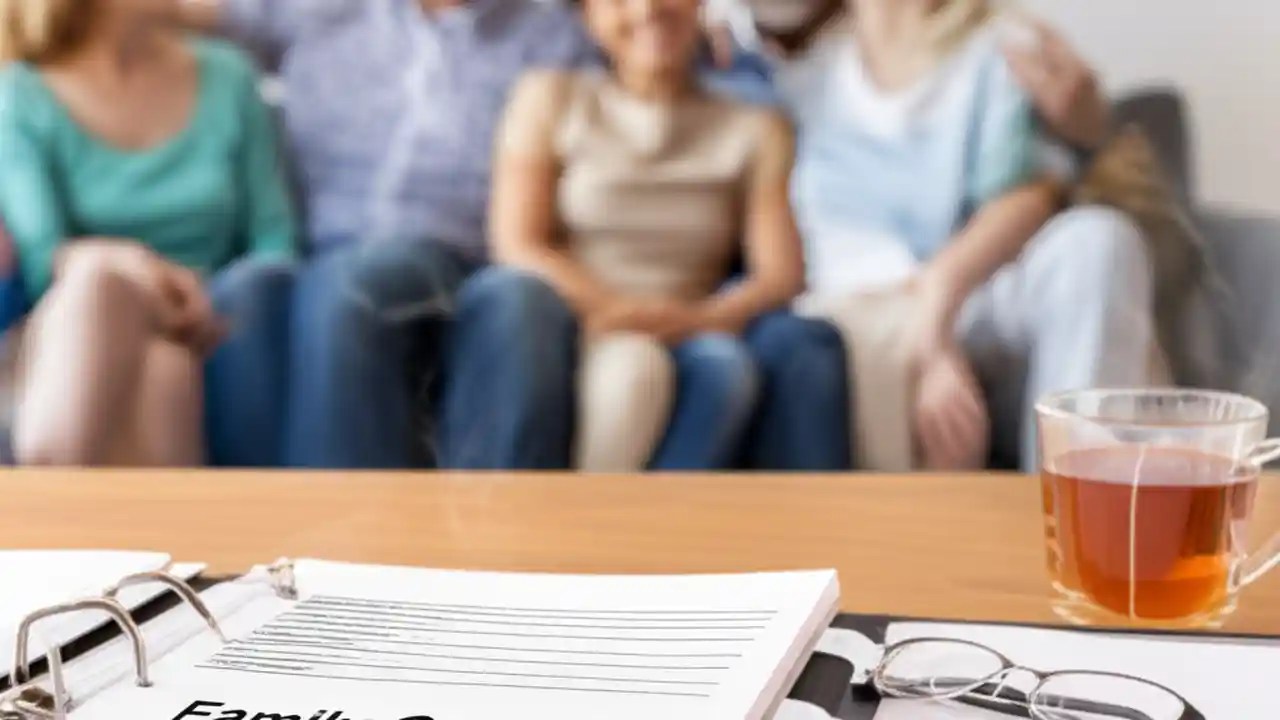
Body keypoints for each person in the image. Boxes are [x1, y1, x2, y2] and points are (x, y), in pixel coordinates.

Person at [719, 0, 1157, 471]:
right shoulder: (795, 76)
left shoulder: (1000, 50)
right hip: (851, 320)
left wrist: (935, 319)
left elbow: (1029, 195)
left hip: (967, 302)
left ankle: (1082, 515)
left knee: (1097, 240)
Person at [489, 0, 804, 470]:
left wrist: (703, 319)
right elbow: (517, 243)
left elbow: (779, 275)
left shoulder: (757, 127)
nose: (646, 9)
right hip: (581, 321)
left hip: (697, 327)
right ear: (587, 16)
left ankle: (648, 537)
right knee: (635, 369)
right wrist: (620, 312)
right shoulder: (550, 98)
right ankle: (576, 529)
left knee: (725, 369)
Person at [0, 0, 297, 467]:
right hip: (78, 317)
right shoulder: (23, 93)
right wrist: (140, 267)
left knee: (161, 357)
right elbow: (45, 256)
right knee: (126, 319)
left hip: (206, 312)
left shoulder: (228, 78)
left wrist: (211, 297)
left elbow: (274, 239)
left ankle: (44, 493)